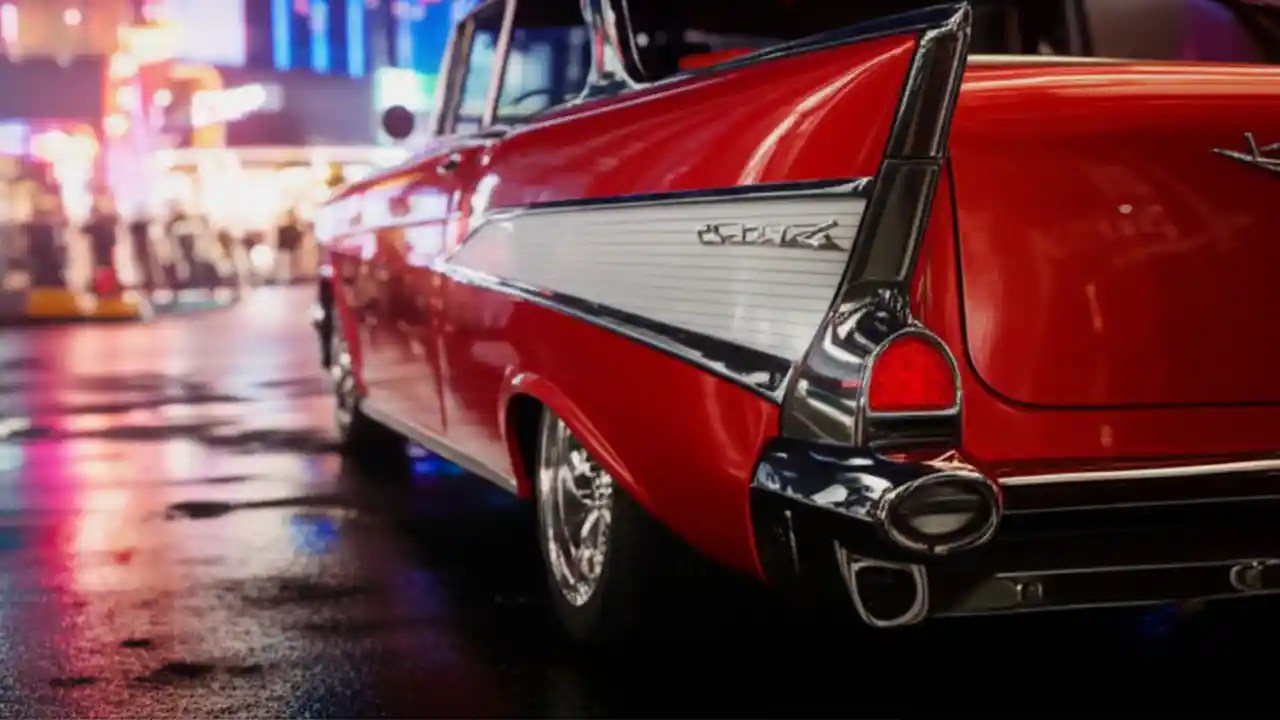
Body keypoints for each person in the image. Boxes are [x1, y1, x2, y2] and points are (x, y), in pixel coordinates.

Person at [81, 195, 122, 297]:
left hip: (101, 251)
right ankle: (107, 288)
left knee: (102, 269)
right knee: (106, 269)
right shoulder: (106, 221)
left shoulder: (99, 222)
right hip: (105, 251)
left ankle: (104, 288)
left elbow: (84, 229)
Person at [274, 209, 303, 284]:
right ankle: (288, 279)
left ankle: (286, 279)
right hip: (289, 248)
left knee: (288, 265)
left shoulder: (285, 229)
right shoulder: (292, 229)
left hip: (287, 248)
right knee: (288, 265)